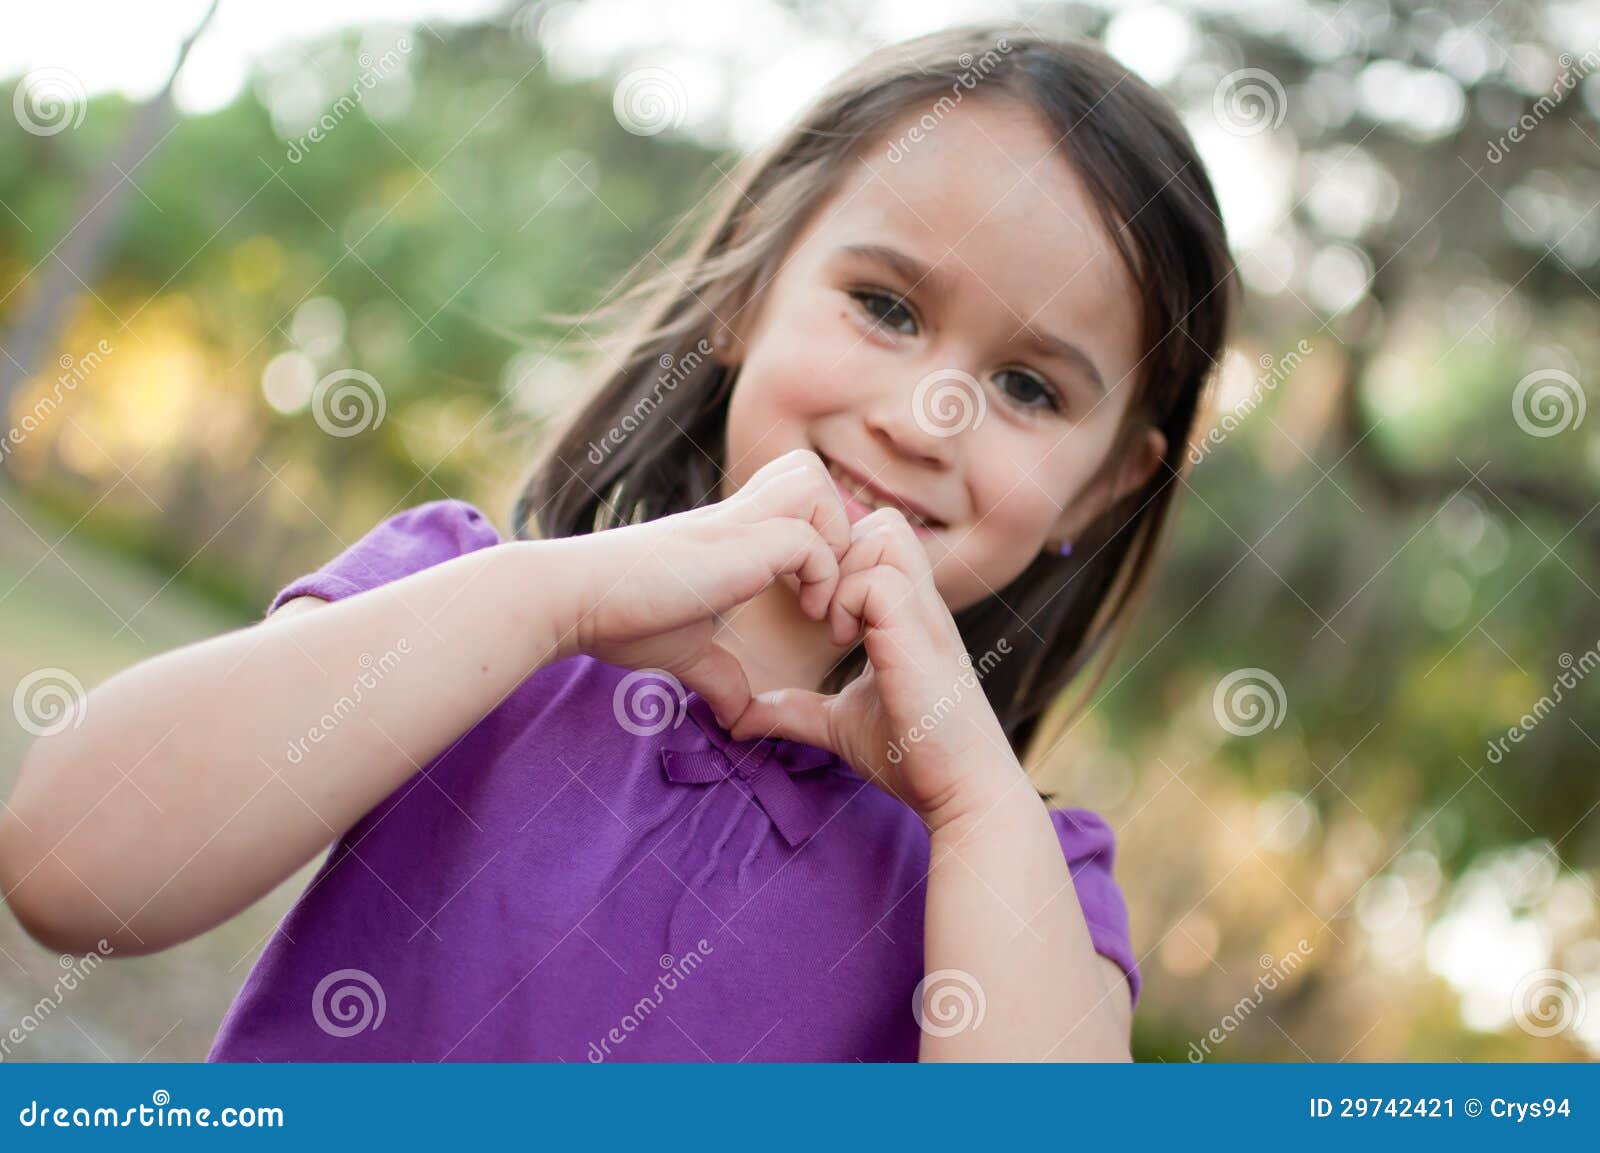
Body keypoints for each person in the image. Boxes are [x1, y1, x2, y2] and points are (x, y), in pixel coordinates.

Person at [0, 22, 1233, 1061]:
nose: (927, 415)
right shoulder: (475, 601)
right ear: (750, 290)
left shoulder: (1037, 880)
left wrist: (972, 801)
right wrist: (550, 601)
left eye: (1029, 388)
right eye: (886, 305)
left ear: (1101, 488)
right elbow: (69, 865)